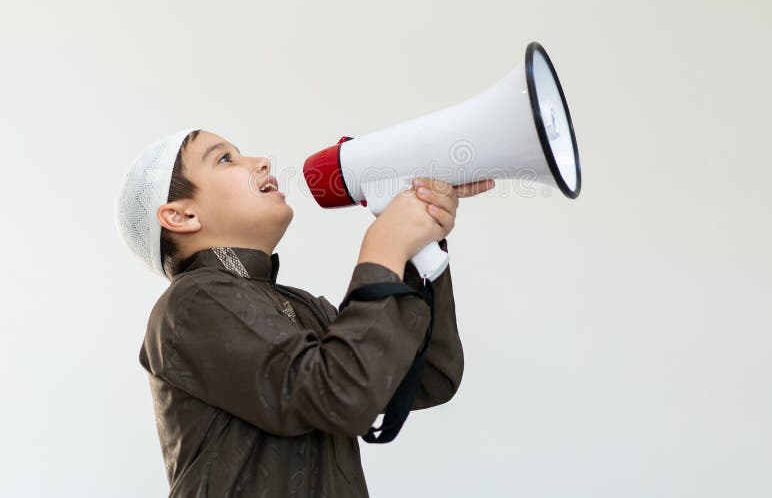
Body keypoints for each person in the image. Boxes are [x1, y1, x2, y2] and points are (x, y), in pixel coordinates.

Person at [114, 127, 494, 497]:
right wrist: (385, 246)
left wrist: (419, 247)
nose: (262, 162)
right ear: (181, 216)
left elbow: (428, 375)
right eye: (225, 158)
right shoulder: (192, 303)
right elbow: (342, 392)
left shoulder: (303, 308)